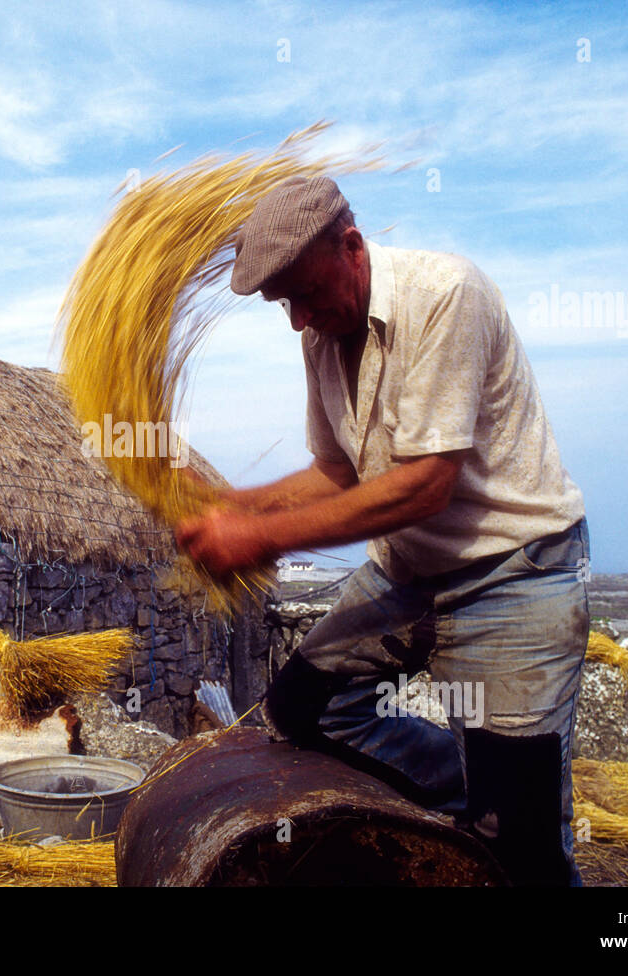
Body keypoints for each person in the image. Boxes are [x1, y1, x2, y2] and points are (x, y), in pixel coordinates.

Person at [174, 176, 591, 886]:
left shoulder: (446, 294)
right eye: (284, 306)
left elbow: (425, 484)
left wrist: (264, 540)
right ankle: (472, 797)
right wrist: (238, 505)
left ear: (353, 245)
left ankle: (503, 814)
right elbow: (338, 471)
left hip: (513, 574)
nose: (299, 321)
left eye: (305, 294)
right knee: (306, 711)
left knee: (523, 854)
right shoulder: (324, 336)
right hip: (408, 574)